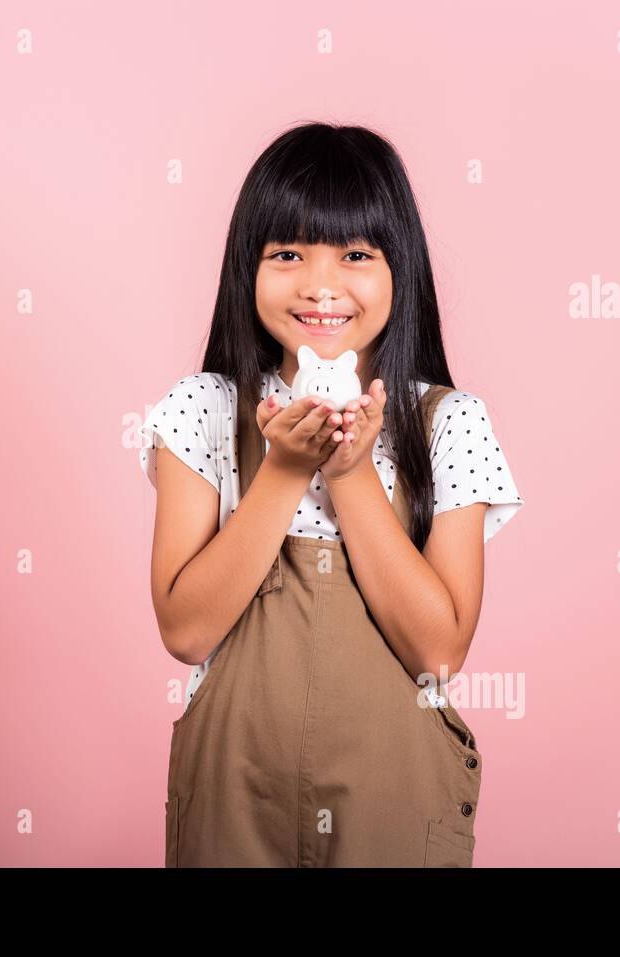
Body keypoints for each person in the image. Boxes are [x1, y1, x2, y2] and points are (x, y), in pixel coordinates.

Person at [138, 122, 525, 866]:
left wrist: (348, 474)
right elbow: (185, 631)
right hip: (233, 806)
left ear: (397, 270)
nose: (320, 284)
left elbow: (439, 653)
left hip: (394, 809)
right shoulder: (203, 410)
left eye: (354, 254)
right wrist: (284, 469)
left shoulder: (449, 423)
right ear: (245, 270)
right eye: (287, 253)